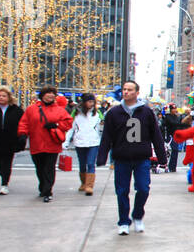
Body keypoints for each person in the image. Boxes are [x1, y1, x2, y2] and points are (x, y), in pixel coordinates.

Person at [98, 79, 168, 235]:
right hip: (121, 157)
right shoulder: (114, 113)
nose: (126, 92)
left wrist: (162, 158)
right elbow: (107, 136)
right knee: (121, 191)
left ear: (137, 93)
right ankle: (123, 221)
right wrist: (102, 156)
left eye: (130, 90)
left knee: (143, 188)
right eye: (124, 89)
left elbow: (156, 136)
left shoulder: (146, 112)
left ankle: (137, 216)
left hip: (141, 158)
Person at [17, 86, 72, 201]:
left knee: (49, 168)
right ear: (42, 95)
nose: (50, 95)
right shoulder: (31, 109)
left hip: (52, 144)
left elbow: (68, 123)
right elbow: (24, 122)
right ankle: (43, 186)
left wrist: (56, 125)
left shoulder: (60, 110)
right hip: (36, 143)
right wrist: (22, 134)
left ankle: (48, 190)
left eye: (53, 93)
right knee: (40, 167)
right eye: (48, 93)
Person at [65, 92, 103, 196]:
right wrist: (66, 141)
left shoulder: (97, 113)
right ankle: (83, 183)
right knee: (82, 164)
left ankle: (89, 186)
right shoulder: (76, 113)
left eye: (93, 102)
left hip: (93, 142)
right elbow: (70, 128)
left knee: (91, 163)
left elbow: (104, 124)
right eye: (89, 101)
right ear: (84, 102)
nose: (91, 104)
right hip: (80, 142)